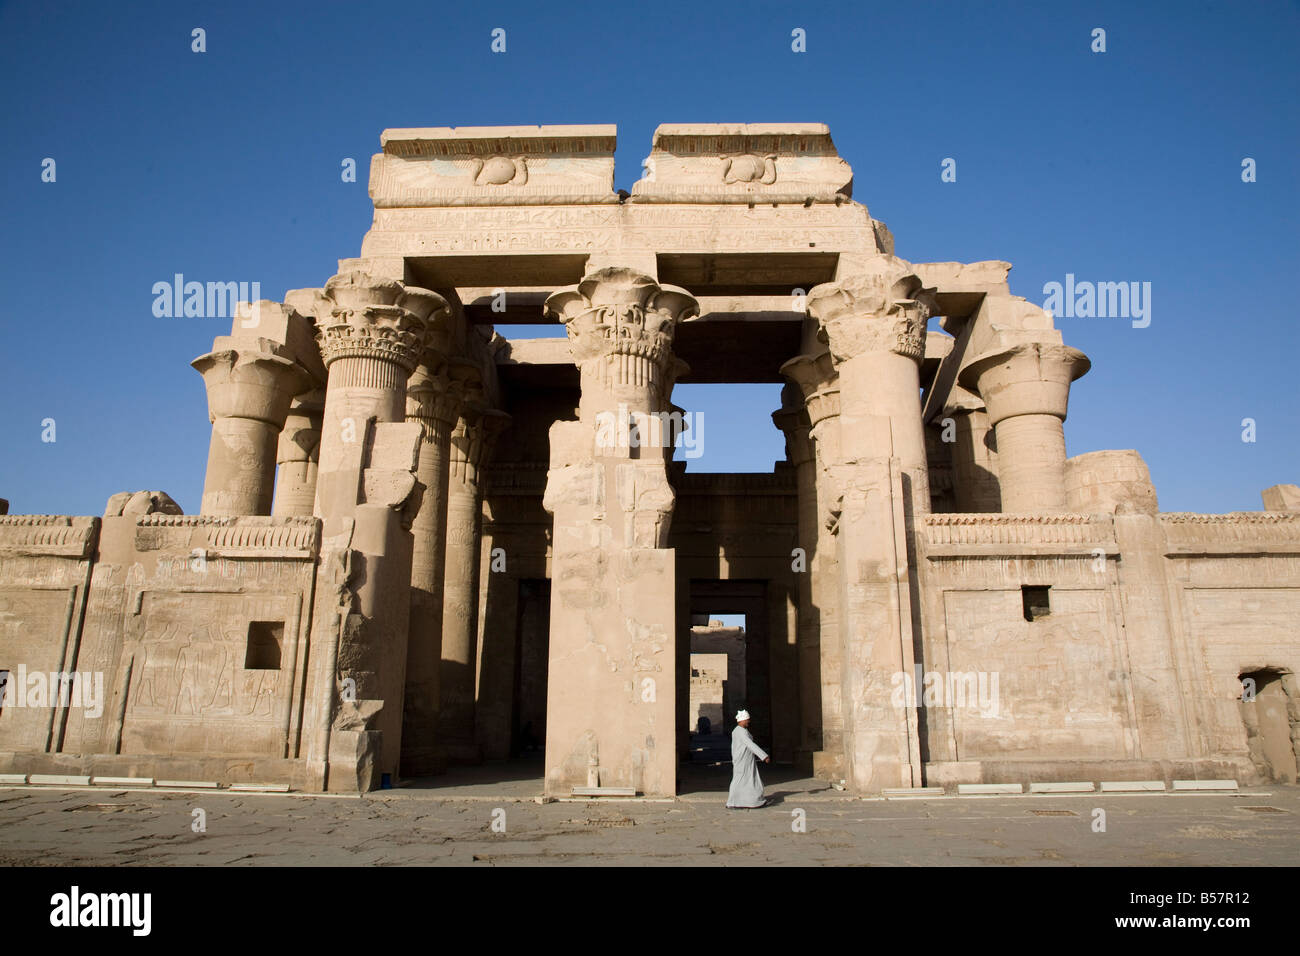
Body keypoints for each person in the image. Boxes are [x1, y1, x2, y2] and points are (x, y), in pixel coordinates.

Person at [726, 709, 770, 808]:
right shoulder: (740, 731)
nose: (748, 722)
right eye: (747, 720)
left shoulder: (741, 731)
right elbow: (750, 744)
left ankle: (753, 801)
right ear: (743, 720)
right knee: (739, 780)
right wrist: (764, 756)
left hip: (746, 759)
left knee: (750, 780)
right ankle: (732, 802)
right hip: (742, 760)